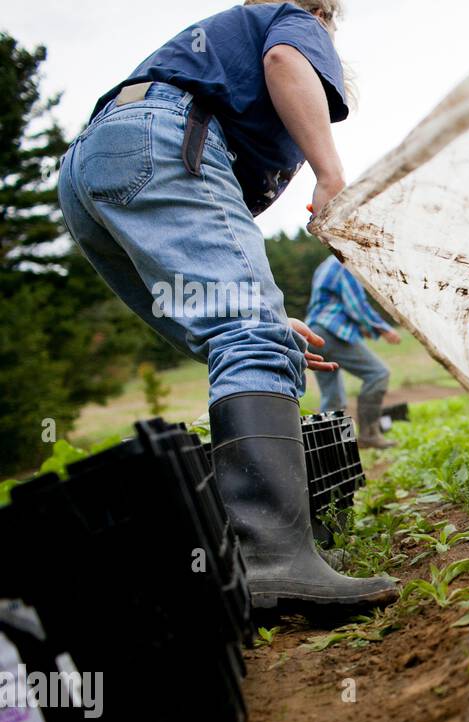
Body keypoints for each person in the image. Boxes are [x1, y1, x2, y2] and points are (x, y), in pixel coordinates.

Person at [56, 1, 398, 616]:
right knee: (250, 334)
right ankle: (272, 559)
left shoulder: (219, 43)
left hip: (91, 166)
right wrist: (329, 172)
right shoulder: (300, 19)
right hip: (162, 137)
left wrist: (258, 324)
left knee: (240, 336)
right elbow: (285, 59)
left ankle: (262, 552)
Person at [306, 256, 400, 448]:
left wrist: (361, 328)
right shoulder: (344, 261)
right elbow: (355, 305)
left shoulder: (323, 265)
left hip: (313, 333)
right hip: (331, 331)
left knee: (332, 396)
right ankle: (369, 435)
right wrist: (383, 328)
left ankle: (330, 448)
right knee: (378, 374)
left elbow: (330, 303)